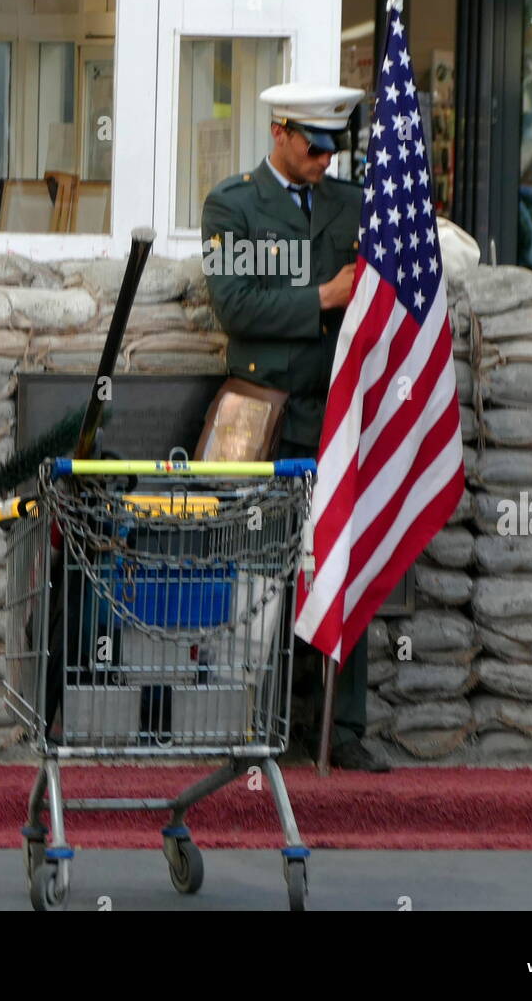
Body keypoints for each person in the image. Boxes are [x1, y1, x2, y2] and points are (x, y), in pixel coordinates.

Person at [201, 83, 389, 772]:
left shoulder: (351, 203)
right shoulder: (232, 205)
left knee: (340, 562)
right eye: (314, 145)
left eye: (334, 146)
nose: (325, 158)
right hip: (270, 414)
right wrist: (322, 298)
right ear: (279, 132)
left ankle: (339, 727)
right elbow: (235, 305)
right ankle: (266, 720)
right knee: (267, 576)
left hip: (337, 412)